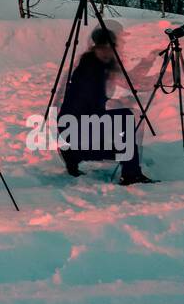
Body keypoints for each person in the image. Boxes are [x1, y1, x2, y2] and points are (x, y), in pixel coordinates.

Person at [57, 26, 157, 185]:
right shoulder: (90, 69)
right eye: (102, 48)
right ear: (95, 48)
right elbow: (87, 104)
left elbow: (127, 83)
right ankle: (131, 174)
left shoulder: (96, 65)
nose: (107, 52)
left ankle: (74, 154)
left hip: (78, 123)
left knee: (121, 142)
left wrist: (149, 61)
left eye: (110, 48)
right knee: (125, 120)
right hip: (75, 125)